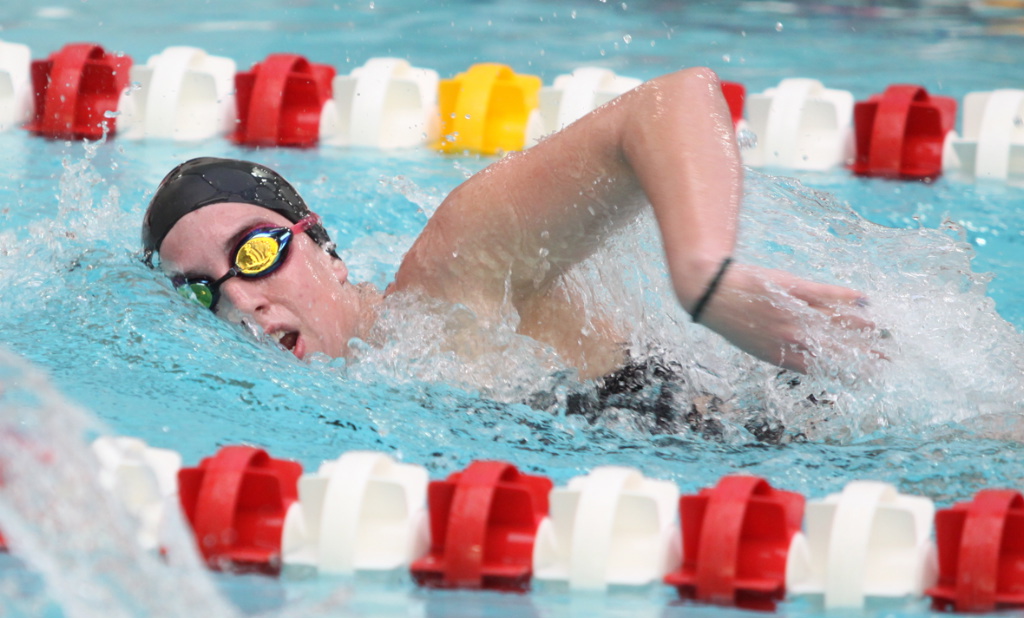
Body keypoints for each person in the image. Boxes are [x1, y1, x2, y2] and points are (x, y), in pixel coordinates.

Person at [142, 67, 869, 386]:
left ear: (326, 248)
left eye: (258, 252)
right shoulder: (367, 381)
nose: (241, 301)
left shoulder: (451, 273)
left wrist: (705, 279)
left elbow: (674, 101)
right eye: (203, 293)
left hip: (820, 406)